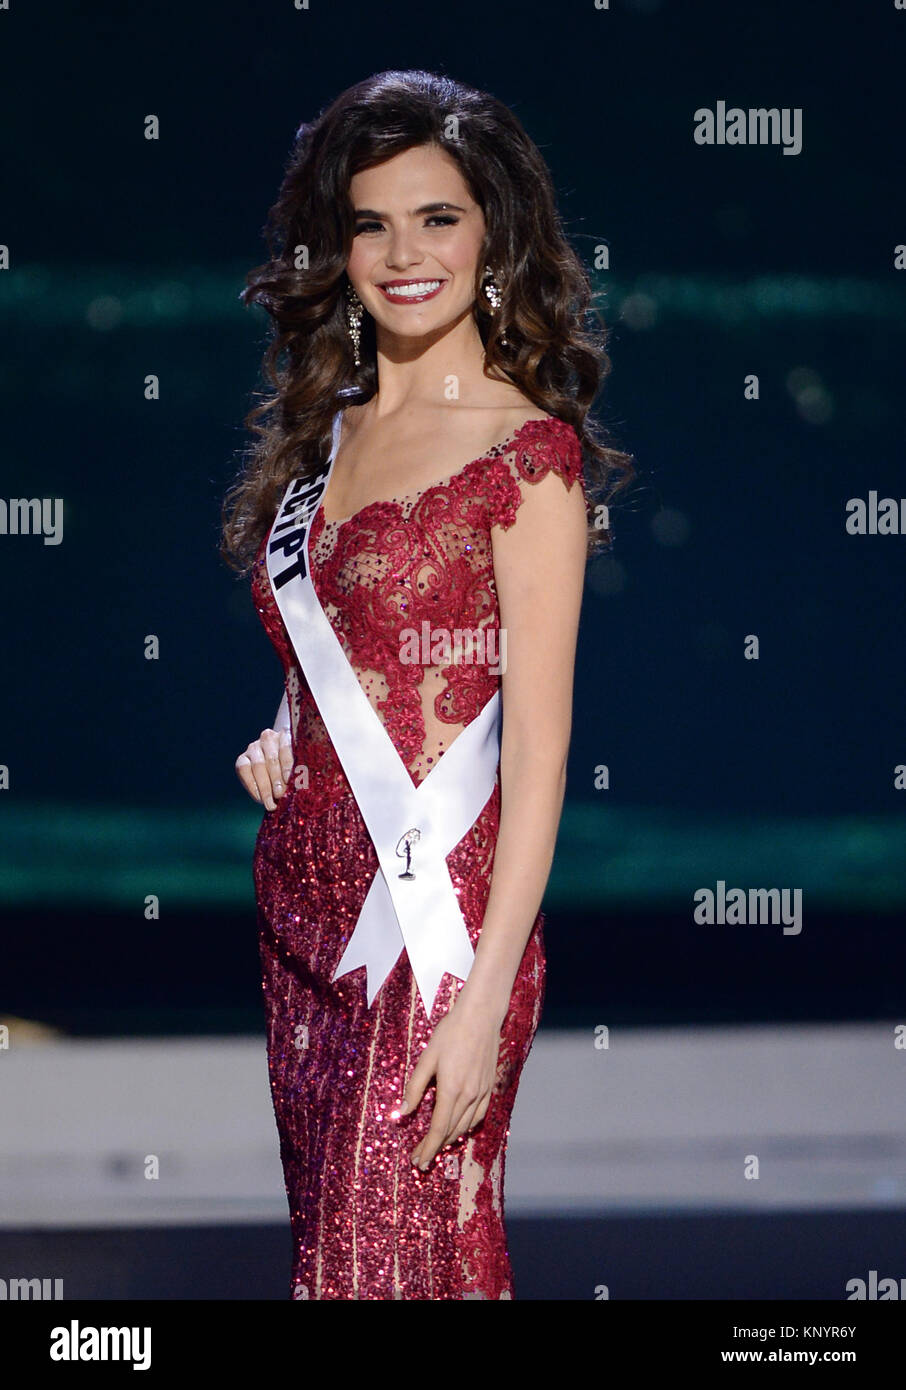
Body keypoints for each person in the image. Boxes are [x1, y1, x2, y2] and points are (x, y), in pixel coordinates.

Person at [221, 68, 632, 1301]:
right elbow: (350, 664)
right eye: (371, 222)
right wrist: (284, 728)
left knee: (381, 1258)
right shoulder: (327, 432)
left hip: (436, 929)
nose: (405, 252)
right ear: (335, 246)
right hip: (302, 904)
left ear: (494, 237)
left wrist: (483, 999)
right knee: (345, 1257)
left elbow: (539, 750)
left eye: (438, 218)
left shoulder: (527, 456)